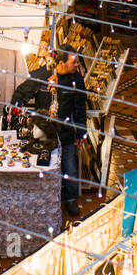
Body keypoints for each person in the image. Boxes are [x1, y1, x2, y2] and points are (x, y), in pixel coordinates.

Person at [52, 44, 87, 217]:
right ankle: (51, 197)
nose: (77, 65)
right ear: (61, 63)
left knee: (70, 167)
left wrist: (81, 132)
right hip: (48, 133)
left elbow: (80, 107)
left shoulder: (77, 79)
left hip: (66, 132)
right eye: (74, 62)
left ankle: (71, 199)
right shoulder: (47, 76)